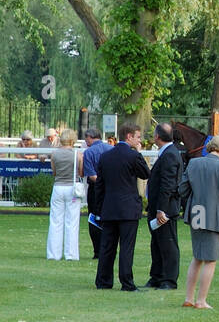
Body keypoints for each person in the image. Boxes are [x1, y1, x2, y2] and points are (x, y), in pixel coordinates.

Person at [176, 134, 219, 309]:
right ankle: (201, 300)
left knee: (197, 257)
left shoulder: (194, 163)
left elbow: (183, 190)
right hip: (214, 214)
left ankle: (189, 297)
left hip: (196, 212)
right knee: (210, 259)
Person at [95, 123, 150, 291]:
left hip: (110, 208)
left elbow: (99, 186)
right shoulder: (133, 156)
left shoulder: (105, 157)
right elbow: (145, 173)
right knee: (126, 247)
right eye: (138, 137)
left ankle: (104, 281)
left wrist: (99, 209)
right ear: (129, 137)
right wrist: (139, 154)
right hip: (128, 209)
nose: (139, 140)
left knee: (107, 246)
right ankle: (126, 282)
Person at [145, 123, 183, 289]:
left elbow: (168, 185)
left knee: (168, 244)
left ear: (157, 137)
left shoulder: (169, 155)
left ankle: (168, 279)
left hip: (165, 209)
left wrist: (162, 209)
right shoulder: (168, 153)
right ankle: (157, 276)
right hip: (159, 207)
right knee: (157, 244)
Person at [46, 128, 82, 261]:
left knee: (55, 221)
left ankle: (53, 254)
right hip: (72, 188)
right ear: (73, 140)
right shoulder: (77, 154)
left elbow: (54, 172)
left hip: (58, 187)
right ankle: (71, 254)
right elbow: (81, 172)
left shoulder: (54, 154)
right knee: (72, 222)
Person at [82, 127, 109, 259]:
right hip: (110, 189)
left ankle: (97, 251)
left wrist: (101, 182)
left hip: (95, 190)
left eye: (86, 138)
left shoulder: (89, 152)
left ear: (90, 137)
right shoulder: (111, 149)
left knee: (94, 219)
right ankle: (108, 249)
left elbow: (91, 175)